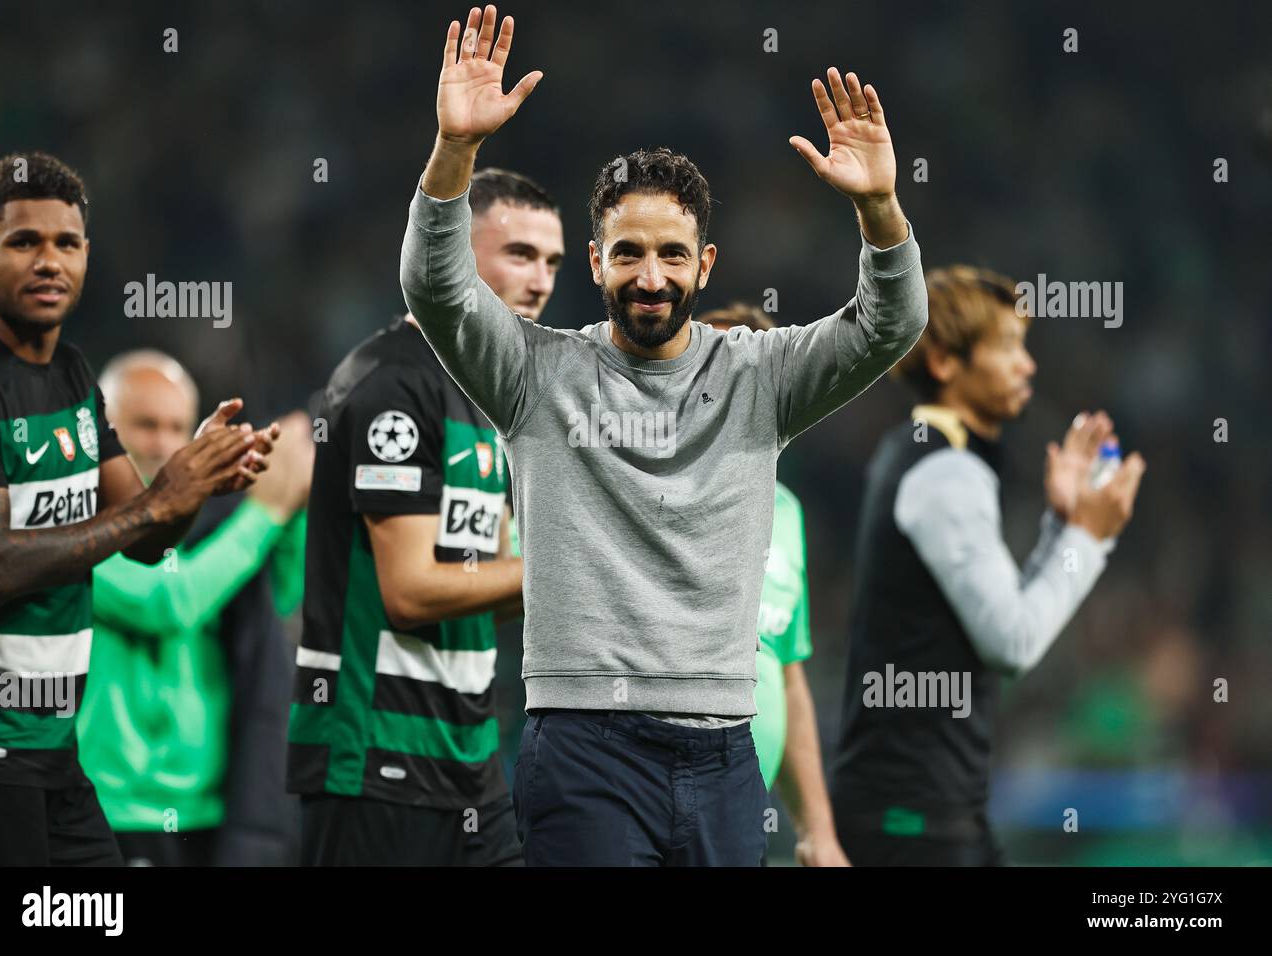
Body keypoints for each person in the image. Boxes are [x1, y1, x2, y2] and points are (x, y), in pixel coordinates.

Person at [399, 6, 927, 866]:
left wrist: (879, 206)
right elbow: (437, 288)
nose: (652, 278)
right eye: (630, 254)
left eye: (674, 256)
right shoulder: (536, 374)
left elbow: (891, 323)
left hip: (725, 754)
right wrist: (454, 152)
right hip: (584, 750)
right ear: (598, 261)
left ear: (706, 265)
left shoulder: (762, 377)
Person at [0, 151, 275, 866]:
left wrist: (194, 482)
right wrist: (156, 507)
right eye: (24, 242)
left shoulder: (73, 376)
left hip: (56, 751)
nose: (50, 262)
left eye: (66, 244)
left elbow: (146, 541)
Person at [827, 265, 1146, 865]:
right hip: (915, 825)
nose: (1027, 365)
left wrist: (1060, 528)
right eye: (1007, 347)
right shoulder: (948, 474)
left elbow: (998, 610)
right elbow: (1014, 641)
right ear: (946, 362)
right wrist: (1089, 536)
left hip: (916, 814)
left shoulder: (916, 455)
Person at [290, 166, 563, 865]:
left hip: (469, 760)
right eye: (520, 255)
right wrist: (569, 570)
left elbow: (490, 585)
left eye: (553, 261)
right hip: (374, 757)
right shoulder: (393, 383)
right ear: (457, 255)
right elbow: (410, 592)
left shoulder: (492, 398)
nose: (541, 280)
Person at [76, 350, 312, 866]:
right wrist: (267, 510)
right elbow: (167, 602)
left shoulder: (211, 533)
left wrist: (292, 496)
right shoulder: (78, 529)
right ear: (102, 432)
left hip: (208, 809)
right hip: (112, 809)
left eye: (177, 427)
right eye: (143, 425)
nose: (163, 443)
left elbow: (284, 599)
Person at [702, 303, 847, 867]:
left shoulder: (785, 511)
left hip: (739, 822)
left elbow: (787, 672)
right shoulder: (641, 494)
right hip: (651, 810)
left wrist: (818, 831)